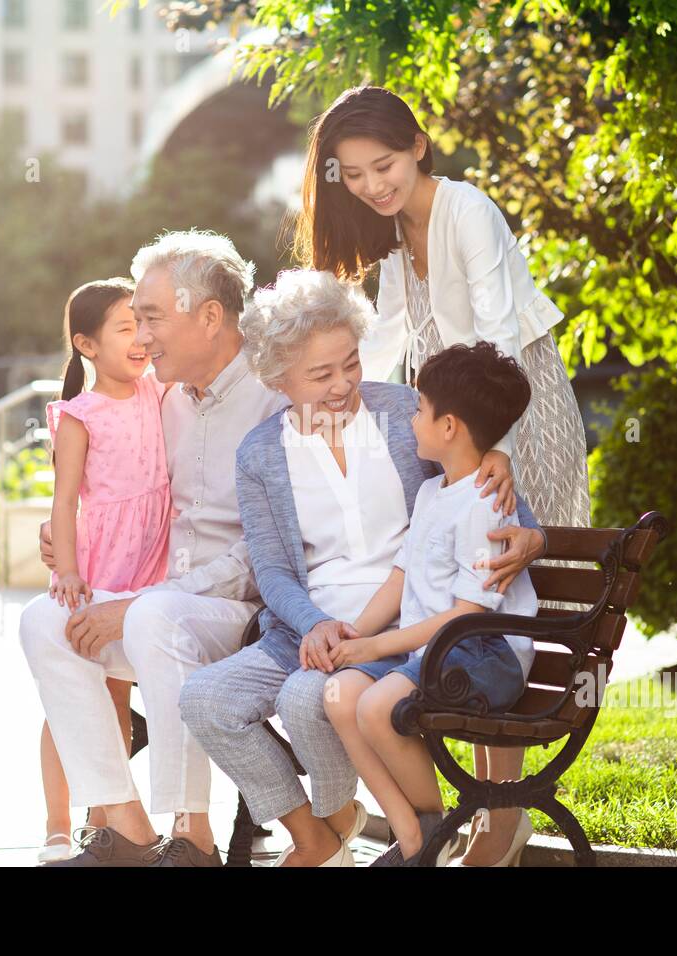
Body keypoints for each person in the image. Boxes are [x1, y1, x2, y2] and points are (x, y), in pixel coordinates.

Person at [294, 84, 593, 865]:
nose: (370, 185)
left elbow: (495, 325)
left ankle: (501, 815)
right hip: (460, 416)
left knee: (504, 587)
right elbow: (391, 337)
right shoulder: (396, 233)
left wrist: (495, 441)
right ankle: (488, 812)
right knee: (472, 580)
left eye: (382, 164)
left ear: (420, 145)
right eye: (353, 174)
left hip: (508, 400)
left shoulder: (465, 208)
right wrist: (349, 409)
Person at [179, 270, 549, 866]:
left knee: (312, 696)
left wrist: (528, 530)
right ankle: (322, 831)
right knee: (204, 699)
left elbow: (478, 486)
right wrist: (316, 625)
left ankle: (367, 829)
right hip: (311, 632)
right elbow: (272, 572)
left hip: (407, 627)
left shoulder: (407, 415)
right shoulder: (260, 453)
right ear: (278, 378)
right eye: (320, 374)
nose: (342, 385)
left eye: (349, 363)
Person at [21, 231, 287, 867]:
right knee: (44, 621)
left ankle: (192, 835)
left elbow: (261, 554)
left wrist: (143, 601)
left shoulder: (274, 399)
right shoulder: (162, 397)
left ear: (210, 317)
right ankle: (129, 827)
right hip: (157, 606)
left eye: (151, 317)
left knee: (154, 617)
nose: (142, 335)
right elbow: (113, 486)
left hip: (240, 612)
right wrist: (69, 540)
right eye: (134, 320)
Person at [325, 342, 539, 866]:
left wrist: (378, 644)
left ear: (449, 428)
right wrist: (355, 634)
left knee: (378, 707)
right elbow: (402, 576)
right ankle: (420, 831)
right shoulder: (432, 493)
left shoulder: (485, 503)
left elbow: (470, 615)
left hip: (485, 651)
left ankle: (432, 838)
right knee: (338, 695)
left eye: (419, 409)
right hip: (441, 648)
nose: (412, 420)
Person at [33, 277, 172, 863]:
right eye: (124, 328)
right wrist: (66, 570)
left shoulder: (158, 391)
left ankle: (108, 817)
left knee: (120, 691)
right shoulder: (78, 414)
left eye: (143, 324)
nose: (140, 338)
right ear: (87, 345)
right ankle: (59, 822)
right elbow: (65, 502)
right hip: (96, 568)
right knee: (80, 696)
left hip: (152, 564)